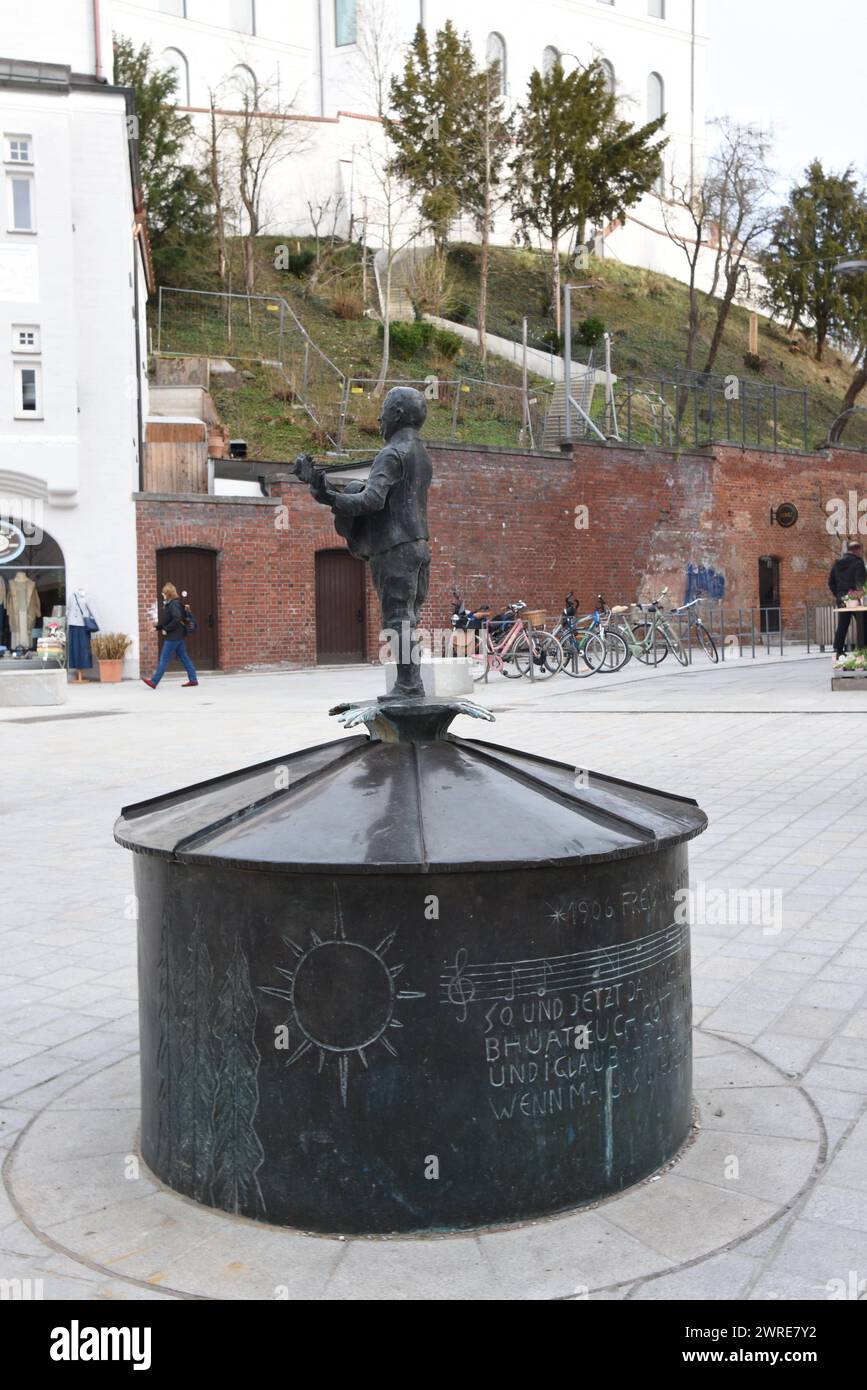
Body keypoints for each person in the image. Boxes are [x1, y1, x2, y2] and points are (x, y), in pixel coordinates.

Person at [298, 386, 432, 699]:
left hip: (395, 547)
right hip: (418, 545)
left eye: (384, 409)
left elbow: (371, 500)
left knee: (397, 617)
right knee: (409, 617)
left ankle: (409, 685)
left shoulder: (392, 453)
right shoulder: (421, 454)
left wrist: (326, 495)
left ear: (397, 414)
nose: (379, 417)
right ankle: (412, 683)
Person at [141, 583, 198, 689]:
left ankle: (154, 681)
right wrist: (157, 628)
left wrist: (166, 630)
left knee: (164, 658)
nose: (162, 595)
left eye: (163, 593)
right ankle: (193, 679)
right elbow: (167, 620)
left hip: (173, 636)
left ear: (168, 594)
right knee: (184, 657)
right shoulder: (170, 604)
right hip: (178, 636)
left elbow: (177, 619)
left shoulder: (173, 604)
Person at [829, 540, 867, 657]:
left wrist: (840, 596)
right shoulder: (858, 563)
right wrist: (860, 597)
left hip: (842, 597)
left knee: (843, 624)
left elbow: (831, 583)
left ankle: (838, 650)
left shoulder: (837, 563)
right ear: (857, 550)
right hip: (855, 597)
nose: (862, 553)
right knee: (863, 623)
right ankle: (863, 649)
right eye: (861, 550)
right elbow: (860, 582)